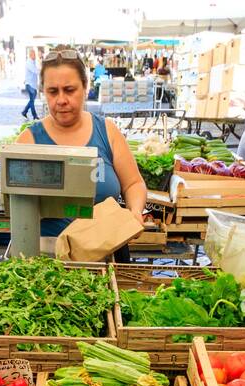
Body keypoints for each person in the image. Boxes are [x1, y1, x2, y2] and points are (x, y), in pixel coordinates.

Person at [14, 47, 147, 252]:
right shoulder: (29, 141)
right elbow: (15, 202)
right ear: (43, 92)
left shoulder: (107, 132)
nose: (61, 100)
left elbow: (134, 183)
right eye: (52, 91)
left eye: (69, 90)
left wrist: (136, 210)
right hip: (48, 259)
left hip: (107, 249)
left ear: (85, 87)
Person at [22, 47, 40, 120]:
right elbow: (35, 71)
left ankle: (24, 111)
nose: (35, 56)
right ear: (30, 55)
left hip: (33, 84)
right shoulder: (29, 62)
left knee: (32, 100)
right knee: (32, 100)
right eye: (34, 54)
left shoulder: (33, 62)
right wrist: (42, 71)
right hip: (30, 84)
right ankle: (34, 115)